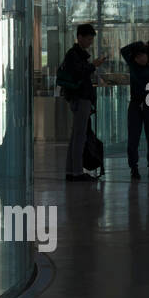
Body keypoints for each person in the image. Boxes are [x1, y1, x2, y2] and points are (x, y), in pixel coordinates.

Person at [57, 23, 106, 182]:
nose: (90, 42)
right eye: (89, 38)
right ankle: (77, 172)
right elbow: (80, 72)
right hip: (80, 99)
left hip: (79, 98)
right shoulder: (74, 55)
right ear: (80, 37)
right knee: (80, 136)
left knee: (76, 135)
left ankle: (71, 170)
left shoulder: (76, 54)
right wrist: (94, 65)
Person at [120, 41, 149, 179]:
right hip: (136, 104)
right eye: (137, 57)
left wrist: (147, 49)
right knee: (133, 138)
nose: (140, 59)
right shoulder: (133, 65)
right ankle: (134, 167)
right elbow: (124, 50)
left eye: (143, 55)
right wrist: (139, 43)